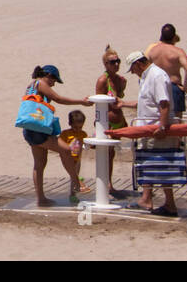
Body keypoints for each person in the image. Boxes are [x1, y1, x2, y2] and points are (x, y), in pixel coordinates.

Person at [20, 64, 93, 207]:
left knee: (39, 164)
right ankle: (77, 182)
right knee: (66, 150)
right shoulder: (40, 83)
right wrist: (81, 102)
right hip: (38, 130)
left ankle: (41, 199)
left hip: (30, 128)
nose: (54, 84)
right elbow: (58, 99)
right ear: (48, 75)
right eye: (54, 80)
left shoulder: (32, 85)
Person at [124, 50, 180, 216]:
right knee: (147, 164)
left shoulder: (156, 76)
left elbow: (164, 103)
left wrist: (162, 127)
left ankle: (170, 204)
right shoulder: (147, 77)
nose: (134, 73)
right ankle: (146, 198)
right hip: (147, 129)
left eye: (133, 69)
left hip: (156, 130)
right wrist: (124, 104)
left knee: (161, 165)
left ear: (139, 64)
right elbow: (146, 103)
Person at [95, 45, 130, 199]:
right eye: (112, 62)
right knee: (105, 153)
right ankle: (105, 185)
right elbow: (99, 103)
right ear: (105, 64)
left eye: (118, 61)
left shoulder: (119, 80)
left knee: (112, 154)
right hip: (106, 122)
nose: (116, 64)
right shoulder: (103, 80)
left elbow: (119, 99)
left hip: (118, 120)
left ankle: (109, 184)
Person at [145, 24, 187, 121]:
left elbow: (146, 70)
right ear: (174, 36)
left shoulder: (153, 51)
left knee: (158, 117)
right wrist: (185, 88)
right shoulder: (178, 51)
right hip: (173, 86)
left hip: (156, 87)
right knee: (177, 120)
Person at [58, 109, 95, 196]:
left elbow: (87, 144)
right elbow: (59, 144)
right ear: (70, 124)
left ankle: (72, 194)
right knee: (74, 174)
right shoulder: (66, 133)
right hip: (67, 158)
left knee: (74, 175)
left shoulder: (83, 134)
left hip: (77, 159)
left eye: (80, 127)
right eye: (75, 127)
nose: (78, 130)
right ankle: (79, 185)